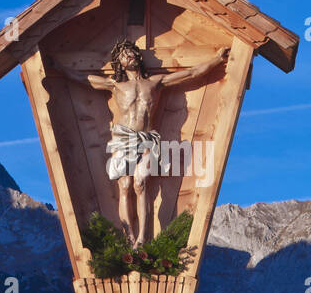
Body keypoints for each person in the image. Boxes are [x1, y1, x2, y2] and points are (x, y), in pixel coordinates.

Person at [49, 40, 228, 246]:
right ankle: (129, 237)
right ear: (119, 63)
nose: (129, 56)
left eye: (131, 52)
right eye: (124, 55)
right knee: (124, 185)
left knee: (140, 182)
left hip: (147, 138)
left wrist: (216, 59)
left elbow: (191, 73)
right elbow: (82, 78)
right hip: (123, 138)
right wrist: (60, 68)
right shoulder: (116, 85)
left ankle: (143, 237)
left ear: (138, 56)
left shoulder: (155, 82)